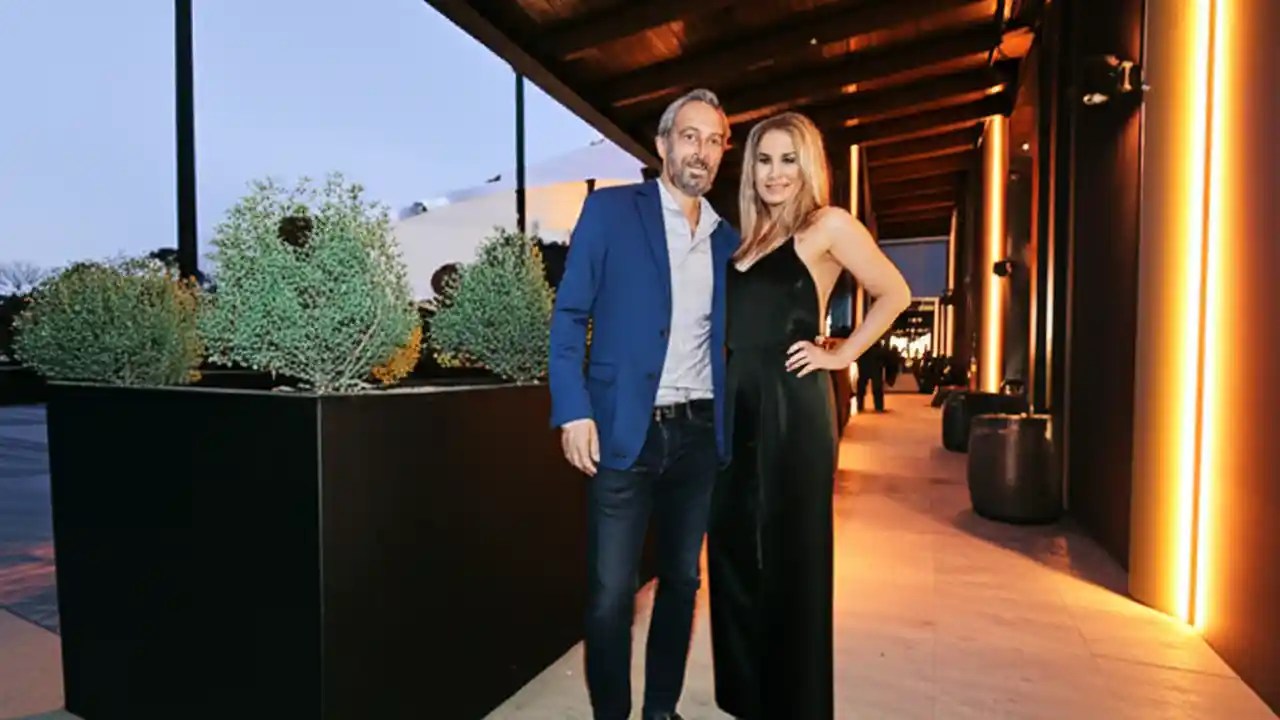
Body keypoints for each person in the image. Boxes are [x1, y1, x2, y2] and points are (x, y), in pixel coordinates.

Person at [707, 111, 911, 719]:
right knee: (734, 548)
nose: (775, 173)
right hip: (737, 405)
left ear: (809, 165)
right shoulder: (748, 240)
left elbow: (895, 292)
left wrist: (843, 352)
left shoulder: (828, 225)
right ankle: (747, 695)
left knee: (790, 552)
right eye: (764, 161)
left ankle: (795, 703)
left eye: (787, 160)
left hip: (791, 405)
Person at [547, 88, 741, 720]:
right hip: (622, 433)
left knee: (682, 584)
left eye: (713, 141)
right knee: (611, 597)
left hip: (699, 434)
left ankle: (660, 710)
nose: (701, 151)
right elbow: (569, 316)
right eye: (690, 137)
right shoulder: (610, 212)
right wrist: (573, 409)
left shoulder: (728, 240)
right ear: (662, 144)